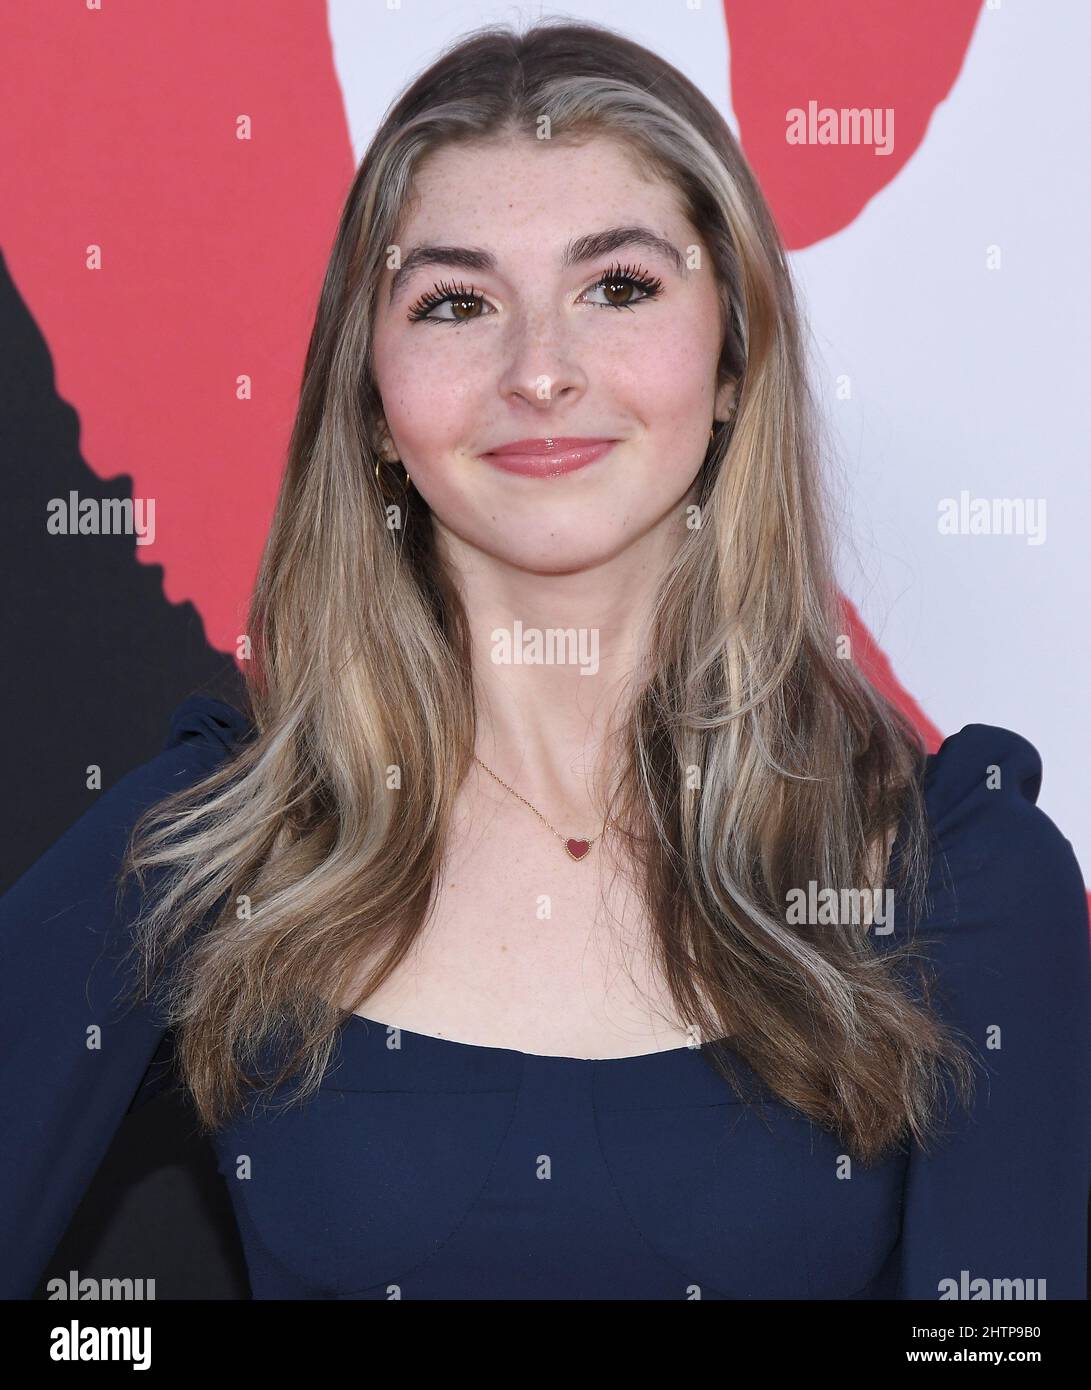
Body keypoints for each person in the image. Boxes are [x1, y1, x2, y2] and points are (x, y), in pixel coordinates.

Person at [2, 18, 1088, 1301]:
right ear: (372, 399)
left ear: (733, 354)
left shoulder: (956, 879)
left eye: (616, 287)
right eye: (456, 304)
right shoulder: (213, 851)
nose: (539, 373)